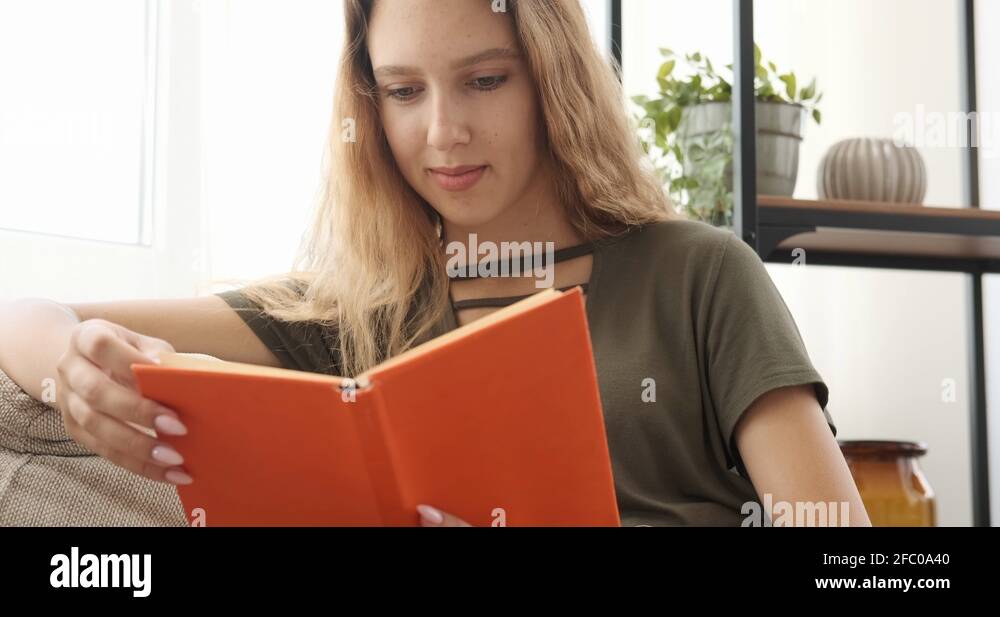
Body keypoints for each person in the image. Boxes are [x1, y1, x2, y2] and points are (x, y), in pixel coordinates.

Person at [0, 0, 870, 527]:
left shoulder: (697, 275)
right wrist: (73, 373)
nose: (442, 132)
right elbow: (27, 319)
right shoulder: (358, 309)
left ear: (552, 81)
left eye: (485, 80)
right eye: (405, 91)